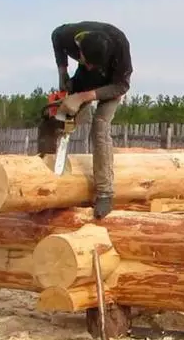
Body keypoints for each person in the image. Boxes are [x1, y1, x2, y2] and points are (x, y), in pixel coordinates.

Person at [49, 20, 133, 220]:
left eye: (92, 64)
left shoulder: (120, 47)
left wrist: (82, 97)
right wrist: (63, 73)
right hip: (85, 80)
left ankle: (105, 192)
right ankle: (47, 171)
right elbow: (55, 37)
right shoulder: (68, 36)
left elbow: (121, 86)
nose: (88, 64)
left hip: (110, 86)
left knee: (100, 127)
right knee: (58, 117)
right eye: (86, 60)